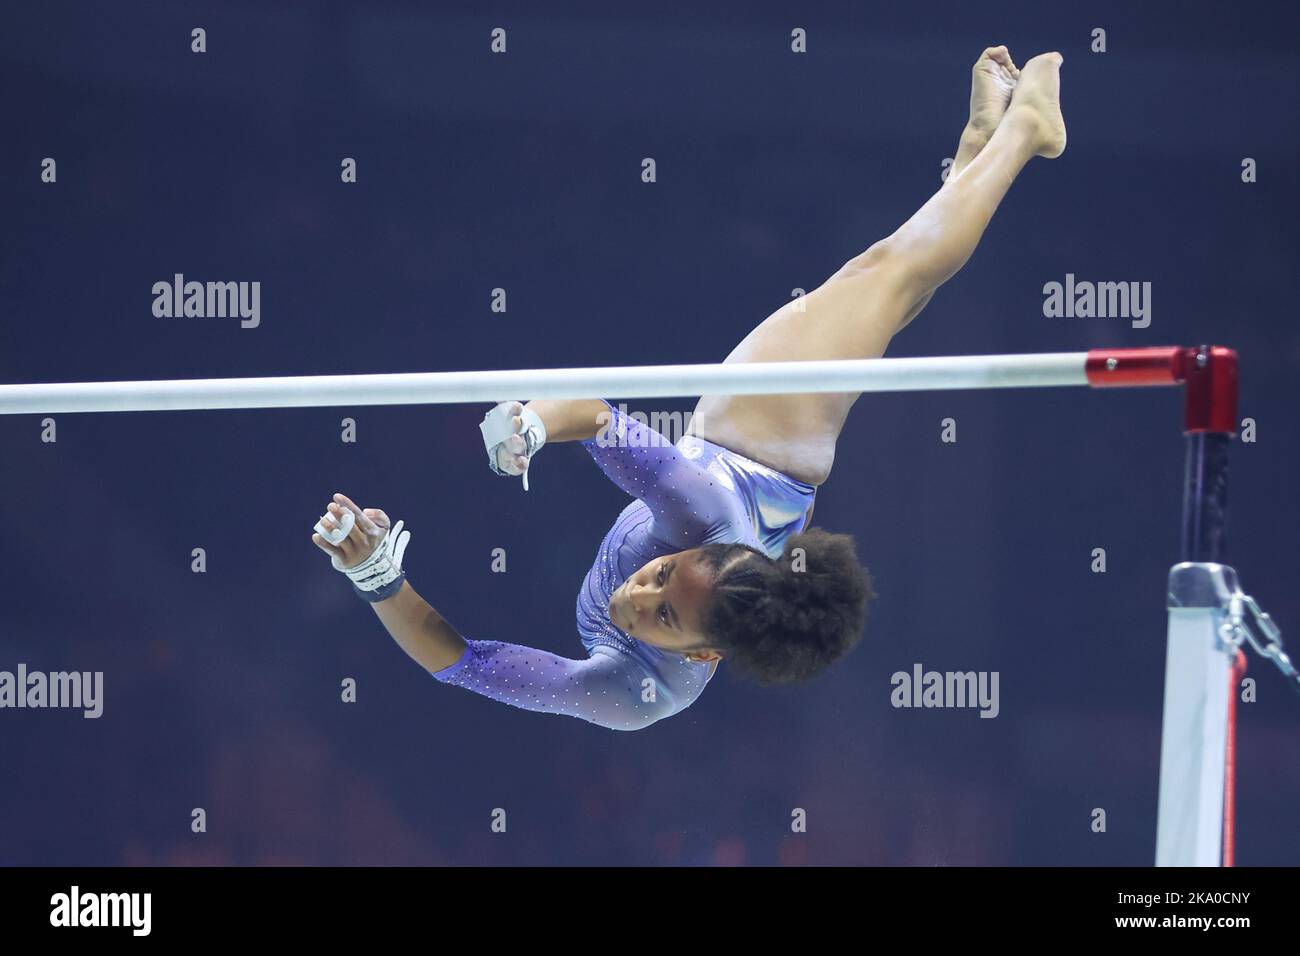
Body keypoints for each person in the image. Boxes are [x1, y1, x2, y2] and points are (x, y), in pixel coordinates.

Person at [311, 48, 1065, 730]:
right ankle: (1025, 131)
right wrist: (531, 426)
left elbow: (464, 663)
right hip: (764, 425)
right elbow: (595, 415)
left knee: (898, 289)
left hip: (781, 471)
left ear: (702, 656)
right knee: (888, 273)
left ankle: (986, 149)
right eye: (663, 577)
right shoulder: (701, 515)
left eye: (663, 610)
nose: (639, 594)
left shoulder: (641, 694)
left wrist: (378, 578)